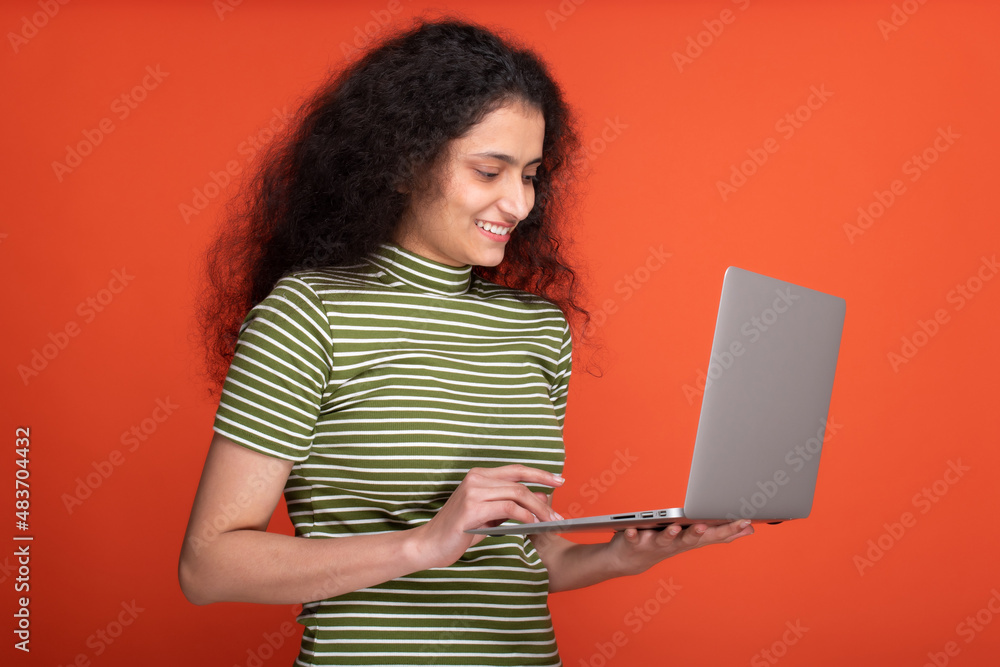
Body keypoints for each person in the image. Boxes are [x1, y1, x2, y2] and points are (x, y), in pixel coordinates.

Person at [178, 18, 753, 666]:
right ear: (400, 165)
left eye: (532, 174)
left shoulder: (537, 331)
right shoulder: (310, 315)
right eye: (489, 170)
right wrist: (422, 543)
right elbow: (209, 564)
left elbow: (521, 558)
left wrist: (623, 552)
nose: (518, 202)